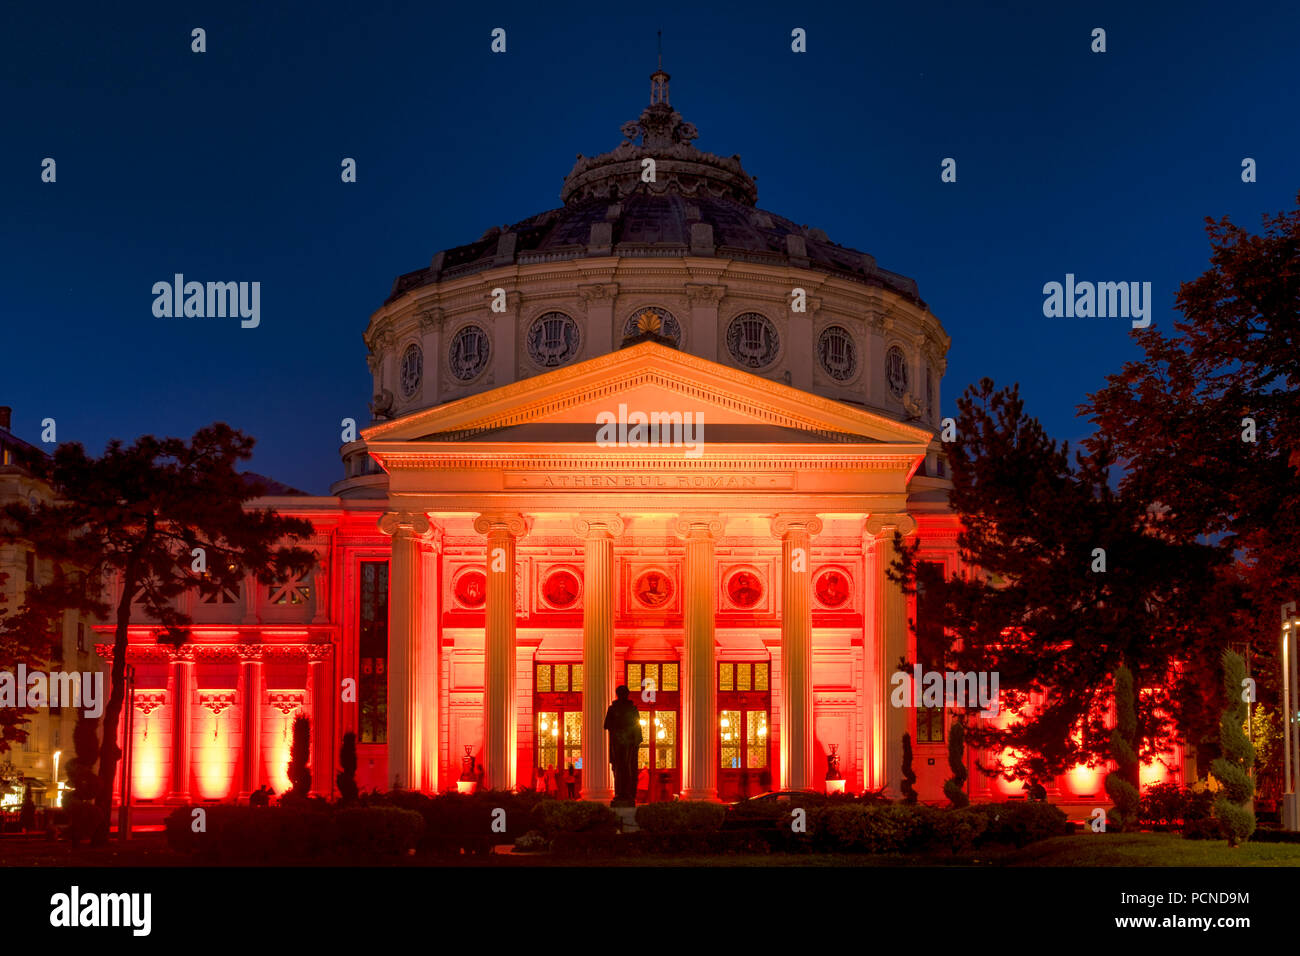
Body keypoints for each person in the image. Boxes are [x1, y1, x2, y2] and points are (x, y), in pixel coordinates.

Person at [604, 685, 642, 807]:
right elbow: (607, 725)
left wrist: (634, 742)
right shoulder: (614, 709)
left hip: (627, 743)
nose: (622, 696)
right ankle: (620, 793)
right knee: (620, 768)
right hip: (619, 743)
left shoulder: (631, 709)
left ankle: (626, 793)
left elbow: (637, 728)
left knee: (626, 768)